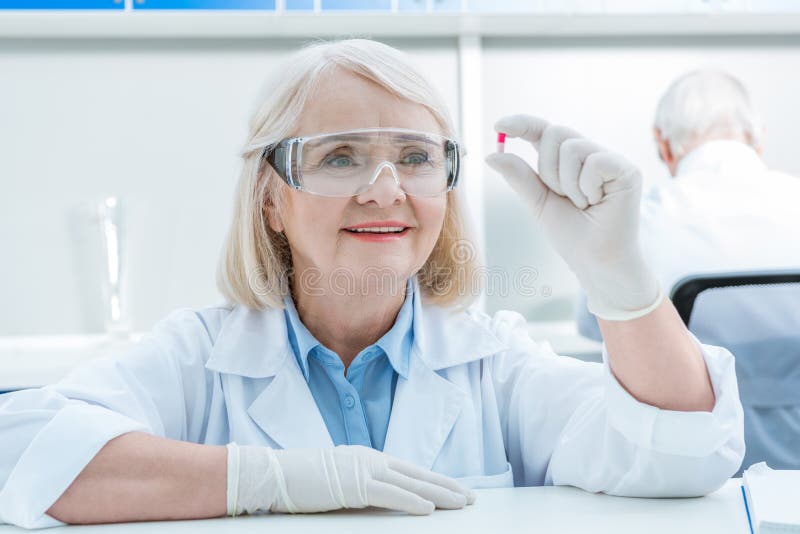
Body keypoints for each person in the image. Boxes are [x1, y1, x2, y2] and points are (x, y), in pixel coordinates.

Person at [0, 41, 744, 529]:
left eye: (416, 158)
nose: (386, 190)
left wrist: (620, 280)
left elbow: (685, 454)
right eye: (340, 157)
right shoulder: (198, 359)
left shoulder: (493, 364)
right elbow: (21, 449)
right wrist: (268, 480)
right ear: (271, 200)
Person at [577, 69, 800, 341]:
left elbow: (593, 326)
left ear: (664, 145)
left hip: (679, 371)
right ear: (759, 138)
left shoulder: (636, 221)